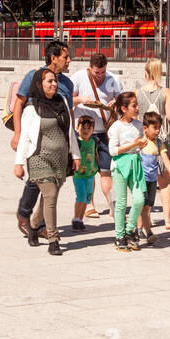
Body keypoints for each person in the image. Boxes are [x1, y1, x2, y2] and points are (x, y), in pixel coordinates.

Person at [13, 69, 80, 256]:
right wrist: (18, 163)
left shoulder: (62, 102)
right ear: (39, 84)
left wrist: (75, 155)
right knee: (50, 195)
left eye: (55, 81)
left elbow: (69, 131)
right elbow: (25, 137)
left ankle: (34, 225)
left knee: (48, 199)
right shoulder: (31, 108)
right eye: (49, 81)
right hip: (38, 158)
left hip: (59, 159)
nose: (54, 84)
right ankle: (53, 239)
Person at [73, 53, 123, 219]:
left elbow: (121, 98)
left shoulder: (112, 79)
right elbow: (67, 99)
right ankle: (89, 205)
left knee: (106, 170)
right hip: (84, 132)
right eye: (97, 73)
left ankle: (111, 205)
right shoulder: (79, 77)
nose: (100, 76)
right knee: (87, 171)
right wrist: (80, 99)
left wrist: (115, 102)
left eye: (102, 72)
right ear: (90, 68)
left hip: (104, 131)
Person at [136, 58, 170, 229]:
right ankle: (168, 220)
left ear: (145, 73)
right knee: (164, 182)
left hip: (145, 142)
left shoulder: (137, 92)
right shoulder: (166, 92)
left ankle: (144, 219)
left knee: (143, 183)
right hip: (163, 139)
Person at [107, 91, 148, 252]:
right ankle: (119, 236)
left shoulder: (138, 125)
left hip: (135, 164)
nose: (137, 108)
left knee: (139, 199)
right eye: (134, 105)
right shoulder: (116, 127)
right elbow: (113, 151)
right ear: (123, 108)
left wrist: (141, 145)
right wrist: (133, 145)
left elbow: (139, 144)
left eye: (137, 105)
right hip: (119, 166)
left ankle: (130, 230)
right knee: (121, 202)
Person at [136, 112, 170, 246]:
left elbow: (165, 158)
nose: (158, 131)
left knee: (147, 207)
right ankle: (145, 231)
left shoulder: (159, 143)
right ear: (145, 128)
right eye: (155, 128)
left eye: (159, 128)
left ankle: (139, 229)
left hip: (152, 180)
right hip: (140, 180)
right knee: (142, 205)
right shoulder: (141, 141)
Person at [70, 115, 98, 233]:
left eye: (89, 128)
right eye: (83, 128)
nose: (86, 131)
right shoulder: (77, 142)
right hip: (79, 175)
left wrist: (96, 167)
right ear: (77, 128)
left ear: (93, 130)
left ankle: (80, 220)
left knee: (86, 198)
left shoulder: (94, 141)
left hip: (90, 174)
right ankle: (76, 219)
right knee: (80, 196)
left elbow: (95, 154)